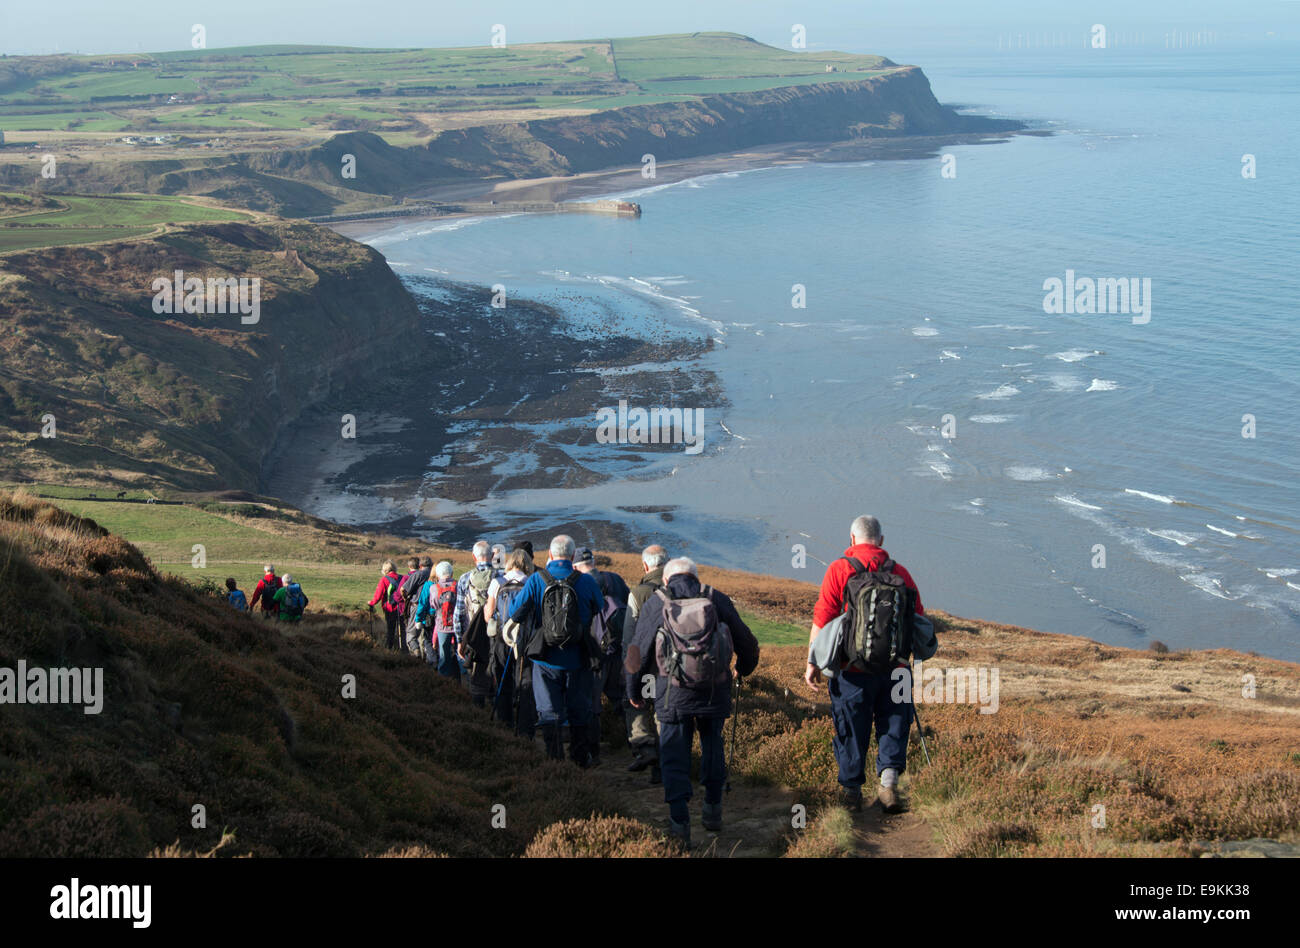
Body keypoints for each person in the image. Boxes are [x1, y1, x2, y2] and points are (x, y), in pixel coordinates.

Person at [625, 557, 759, 847]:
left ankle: (679, 822)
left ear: (666, 579)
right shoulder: (715, 598)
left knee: (673, 753)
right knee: (713, 744)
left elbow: (637, 652)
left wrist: (634, 691)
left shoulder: (657, 602)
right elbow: (747, 641)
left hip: (672, 694)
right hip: (714, 690)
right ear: (696, 577)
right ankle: (712, 811)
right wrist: (743, 669)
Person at [804, 515, 925, 814]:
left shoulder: (839, 569)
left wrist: (812, 662)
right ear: (881, 541)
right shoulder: (902, 573)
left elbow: (823, 617)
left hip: (851, 670)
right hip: (896, 669)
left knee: (851, 727)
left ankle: (851, 792)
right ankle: (888, 786)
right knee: (894, 722)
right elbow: (918, 617)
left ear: (852, 539)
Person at [506, 534, 604, 766]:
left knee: (549, 711)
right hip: (578, 657)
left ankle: (555, 761)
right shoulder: (586, 581)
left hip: (545, 658)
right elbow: (599, 607)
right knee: (579, 710)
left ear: (549, 555)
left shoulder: (537, 580)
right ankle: (580, 761)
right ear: (572, 556)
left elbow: (515, 612)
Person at [574, 547, 630, 767]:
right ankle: (632, 744)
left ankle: (594, 753)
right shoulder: (615, 579)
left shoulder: (580, 584)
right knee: (620, 699)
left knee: (592, 704)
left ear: (576, 565)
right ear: (593, 561)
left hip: (594, 652)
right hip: (617, 650)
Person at [622, 544, 669, 783]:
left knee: (635, 705)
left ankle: (645, 748)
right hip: (672, 667)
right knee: (663, 715)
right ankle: (661, 769)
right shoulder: (681, 588)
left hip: (644, 665)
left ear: (645, 566)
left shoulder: (638, 593)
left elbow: (629, 638)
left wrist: (628, 672)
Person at [485, 548, 533, 731]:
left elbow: (488, 614)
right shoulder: (530, 583)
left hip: (502, 639)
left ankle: (504, 723)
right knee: (524, 683)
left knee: (503, 681)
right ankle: (524, 727)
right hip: (525, 640)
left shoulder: (497, 582)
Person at [454, 541, 503, 694]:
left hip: (473, 636)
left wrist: (460, 640)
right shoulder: (501, 578)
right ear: (493, 556)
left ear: (474, 557)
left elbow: (459, 613)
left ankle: (477, 712)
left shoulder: (464, 579)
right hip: (496, 635)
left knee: (475, 678)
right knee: (497, 674)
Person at [414, 560, 455, 670]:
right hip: (448, 619)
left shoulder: (429, 585)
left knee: (428, 640)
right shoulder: (452, 585)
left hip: (431, 617)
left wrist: (418, 619)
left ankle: (434, 663)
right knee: (444, 644)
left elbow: (423, 603)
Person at [367, 561, 404, 650]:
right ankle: (404, 649)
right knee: (403, 630)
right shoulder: (402, 578)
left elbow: (378, 595)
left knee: (391, 629)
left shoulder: (384, 580)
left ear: (385, 570)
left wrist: (371, 603)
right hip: (402, 608)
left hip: (390, 608)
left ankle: (390, 648)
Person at [402, 556, 432, 657]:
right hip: (432, 609)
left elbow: (403, 589)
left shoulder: (418, 574)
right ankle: (429, 660)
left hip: (417, 607)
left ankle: (416, 656)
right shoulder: (434, 575)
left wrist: (406, 598)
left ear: (420, 566)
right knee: (427, 637)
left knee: (411, 636)